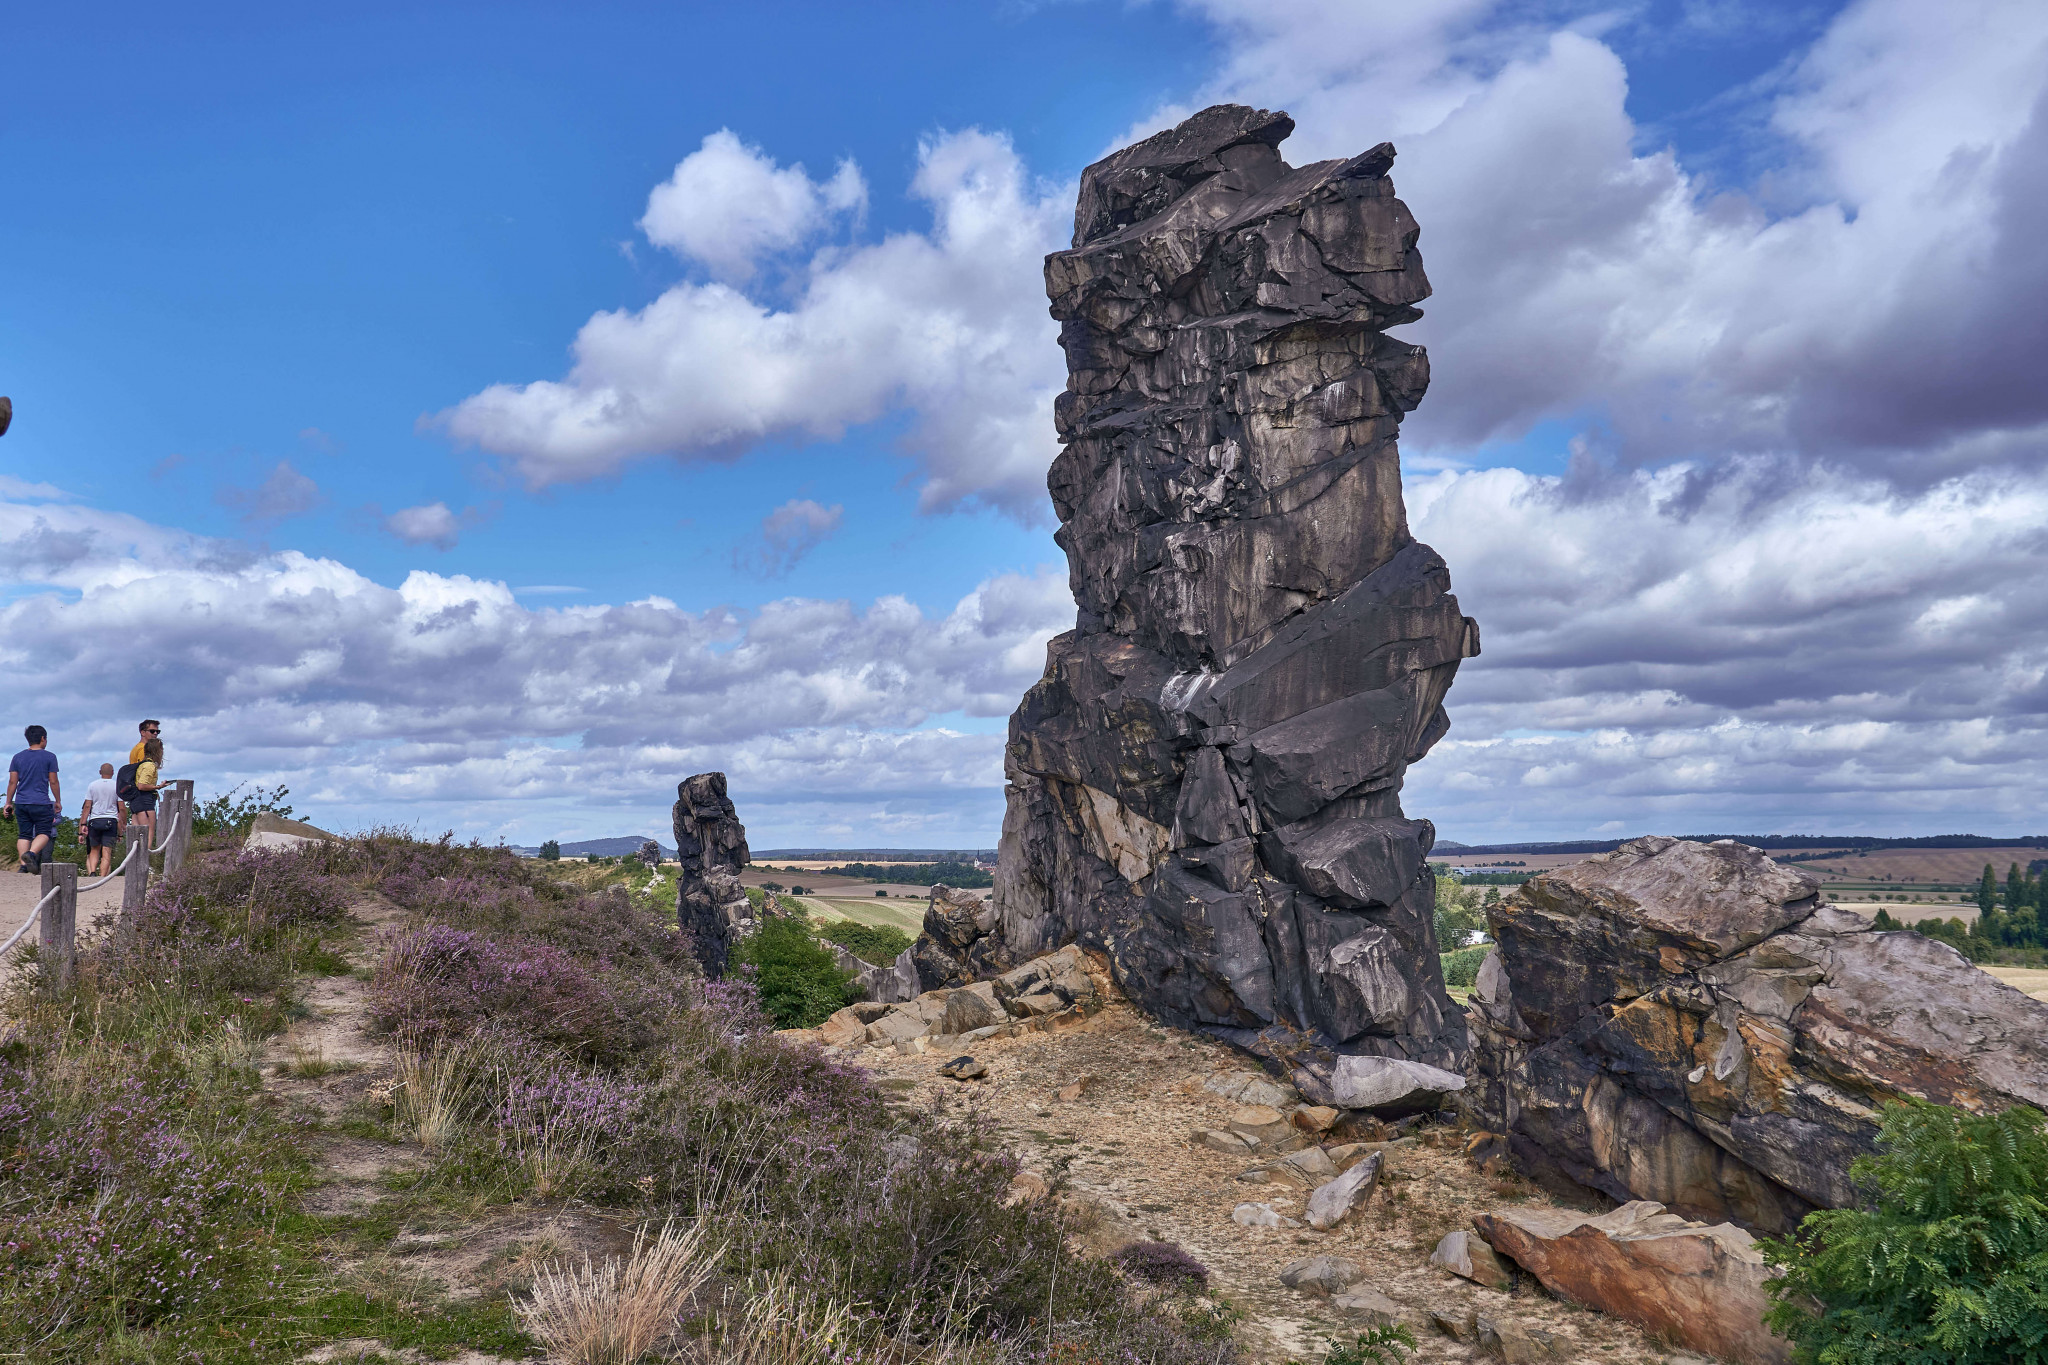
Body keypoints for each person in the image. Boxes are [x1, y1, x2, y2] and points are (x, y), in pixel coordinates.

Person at [6, 726, 61, 875]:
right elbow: (53, 781)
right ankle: (31, 854)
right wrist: (57, 801)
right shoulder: (50, 757)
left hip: (22, 802)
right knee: (44, 832)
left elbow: (12, 782)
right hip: (41, 802)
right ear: (43, 738)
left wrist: (8, 802)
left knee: (24, 834)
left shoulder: (17, 757)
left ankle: (23, 866)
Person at [80, 762, 125, 877]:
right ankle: (102, 876)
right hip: (110, 820)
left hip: (95, 820)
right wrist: (122, 826)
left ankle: (93, 872)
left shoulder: (92, 785)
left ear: (100, 772)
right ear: (113, 772)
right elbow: (121, 808)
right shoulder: (117, 786)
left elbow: (87, 806)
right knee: (106, 851)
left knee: (94, 849)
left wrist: (83, 823)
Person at [127, 737, 164, 845]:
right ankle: (145, 858)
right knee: (147, 834)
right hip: (145, 802)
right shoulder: (150, 766)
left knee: (136, 837)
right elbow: (142, 785)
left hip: (136, 802)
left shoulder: (142, 764)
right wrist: (157, 787)